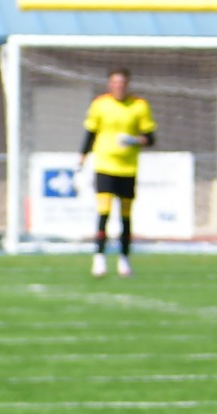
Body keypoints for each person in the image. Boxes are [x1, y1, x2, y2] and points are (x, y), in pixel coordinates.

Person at [80, 67, 155, 278]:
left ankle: (124, 259)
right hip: (104, 165)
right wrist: (82, 156)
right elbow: (90, 133)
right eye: (114, 83)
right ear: (109, 84)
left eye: (122, 83)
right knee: (103, 212)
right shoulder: (100, 105)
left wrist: (134, 140)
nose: (118, 87)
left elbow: (150, 138)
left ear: (127, 85)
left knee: (125, 216)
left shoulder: (139, 106)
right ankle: (99, 258)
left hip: (128, 168)